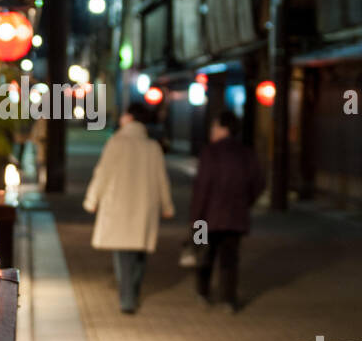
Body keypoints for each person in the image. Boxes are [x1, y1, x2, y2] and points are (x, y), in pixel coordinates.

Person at [84, 102, 174, 314]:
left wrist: (92, 200)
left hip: (119, 206)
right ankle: (132, 291)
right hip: (144, 207)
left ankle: (127, 298)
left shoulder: (116, 142)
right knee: (139, 252)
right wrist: (167, 206)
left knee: (123, 254)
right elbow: (163, 180)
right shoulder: (153, 147)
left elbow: (102, 173)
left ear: (130, 118)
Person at [190, 109, 265, 314]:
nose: (211, 130)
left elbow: (202, 187)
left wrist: (195, 218)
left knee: (204, 255)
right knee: (230, 260)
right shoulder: (246, 153)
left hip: (207, 217)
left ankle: (203, 293)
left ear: (224, 128)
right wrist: (245, 202)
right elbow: (258, 182)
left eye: (214, 126)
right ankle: (228, 299)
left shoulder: (210, 153)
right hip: (235, 216)